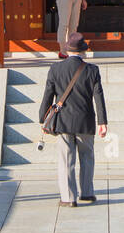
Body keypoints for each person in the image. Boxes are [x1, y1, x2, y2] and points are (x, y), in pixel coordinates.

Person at [38, 36, 108, 207]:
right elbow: (98, 97)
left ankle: (69, 198)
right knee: (87, 158)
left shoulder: (55, 69)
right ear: (83, 51)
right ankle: (87, 193)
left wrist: (42, 118)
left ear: (66, 50)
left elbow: (48, 95)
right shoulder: (92, 70)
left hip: (63, 121)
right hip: (86, 120)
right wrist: (102, 122)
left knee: (66, 161)